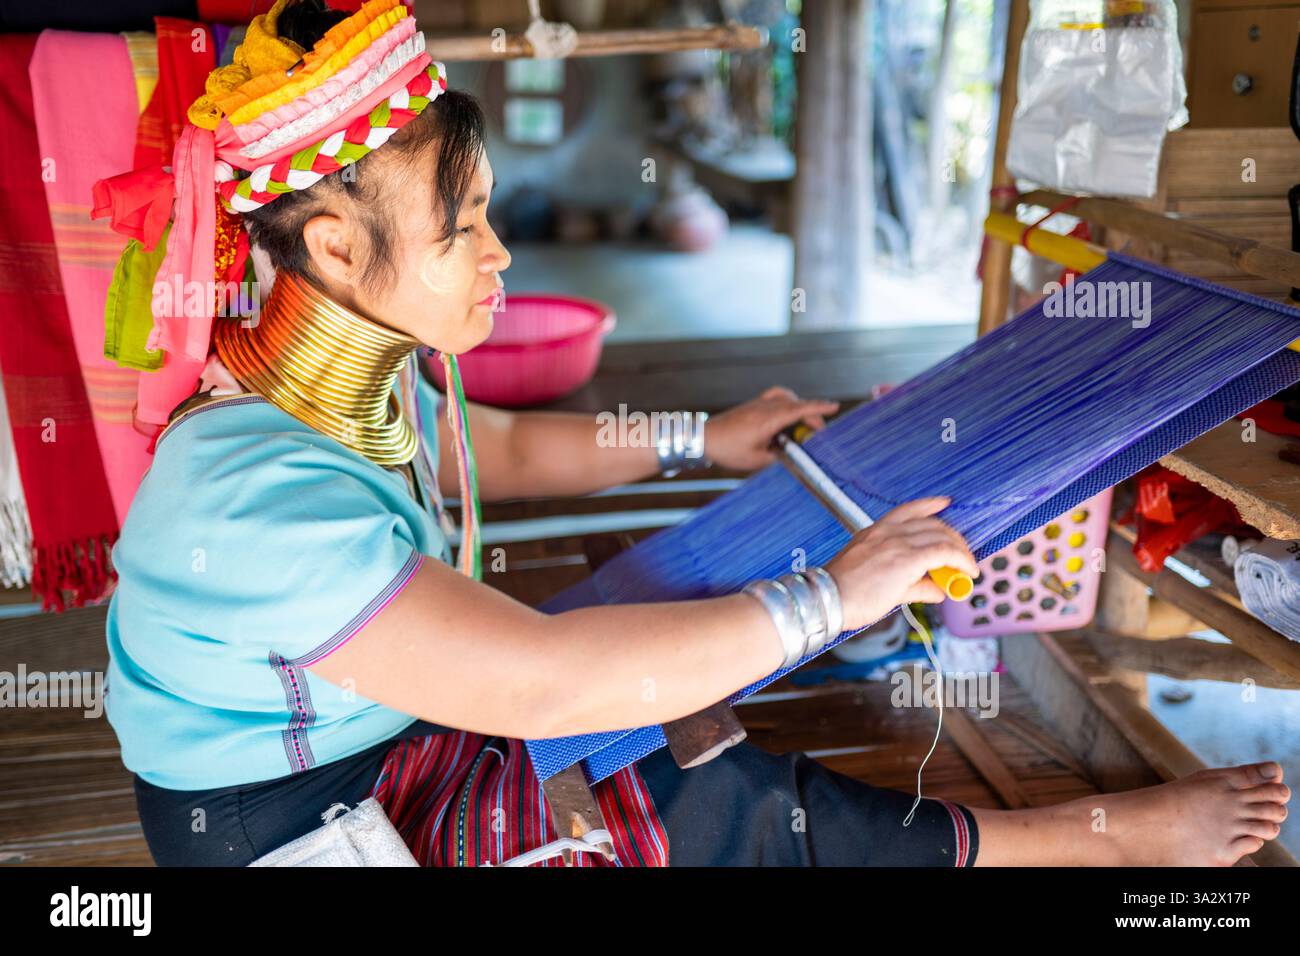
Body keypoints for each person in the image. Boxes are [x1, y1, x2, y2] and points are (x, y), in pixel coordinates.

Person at [103, 0, 1289, 867]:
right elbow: (535, 686)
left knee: (669, 695)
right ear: (334, 249)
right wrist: (831, 592)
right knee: (694, 798)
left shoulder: (327, 392)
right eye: (465, 225)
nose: (499, 253)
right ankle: (1086, 840)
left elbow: (490, 451)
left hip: (382, 734)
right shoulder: (248, 501)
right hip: (296, 817)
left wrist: (702, 436)